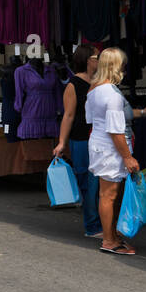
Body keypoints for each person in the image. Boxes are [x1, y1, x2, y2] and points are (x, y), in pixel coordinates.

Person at [87, 47, 146, 256]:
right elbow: (115, 131)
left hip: (100, 143)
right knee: (109, 195)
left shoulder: (94, 89)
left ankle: (112, 236)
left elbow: (91, 120)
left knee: (108, 194)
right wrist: (128, 157)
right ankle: (109, 240)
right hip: (111, 148)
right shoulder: (112, 94)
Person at [53, 45, 103, 239]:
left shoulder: (99, 81)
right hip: (81, 139)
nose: (99, 59)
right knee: (87, 183)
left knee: (98, 182)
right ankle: (92, 226)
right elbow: (69, 115)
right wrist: (61, 142)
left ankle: (101, 222)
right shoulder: (73, 84)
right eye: (96, 57)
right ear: (87, 60)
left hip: (98, 138)